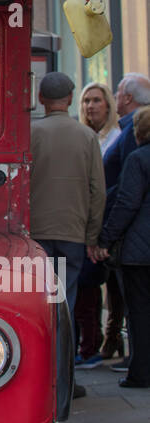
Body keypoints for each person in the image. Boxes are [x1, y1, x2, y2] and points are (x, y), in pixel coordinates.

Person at [29, 72, 105, 408]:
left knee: (35, 306)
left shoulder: (29, 133)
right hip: (73, 233)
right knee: (66, 307)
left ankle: (35, 378)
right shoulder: (86, 136)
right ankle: (64, 383)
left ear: (41, 98)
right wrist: (91, 236)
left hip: (36, 234)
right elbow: (97, 191)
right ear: (71, 98)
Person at [94, 106, 150, 388]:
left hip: (140, 252)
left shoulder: (138, 159)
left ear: (139, 132)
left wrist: (105, 238)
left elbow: (126, 203)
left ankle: (141, 372)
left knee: (139, 311)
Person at [74, 83, 120, 365]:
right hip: (83, 219)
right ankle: (92, 344)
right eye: (86, 101)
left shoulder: (115, 137)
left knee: (105, 289)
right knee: (86, 291)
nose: (91, 106)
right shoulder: (82, 135)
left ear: (108, 104)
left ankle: (102, 342)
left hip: (107, 221)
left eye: (96, 100)